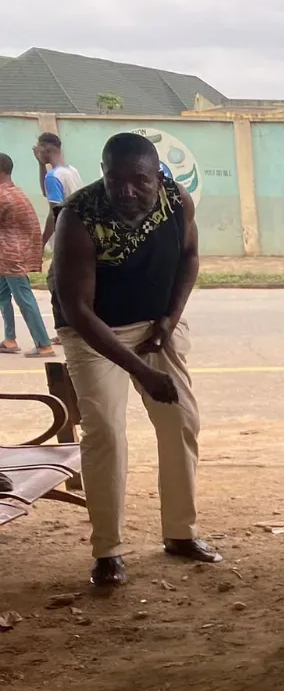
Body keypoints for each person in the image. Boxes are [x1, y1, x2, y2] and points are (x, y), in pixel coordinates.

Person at [54, 132, 219, 588]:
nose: (127, 191)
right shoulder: (78, 217)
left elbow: (189, 257)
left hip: (156, 324)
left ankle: (181, 535)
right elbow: (77, 310)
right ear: (103, 174)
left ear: (156, 175)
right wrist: (142, 371)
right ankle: (107, 551)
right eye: (115, 179)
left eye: (139, 180)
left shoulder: (176, 200)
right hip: (94, 332)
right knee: (105, 429)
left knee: (181, 421)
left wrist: (170, 319)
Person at [0, 153, 54, 358]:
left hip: (10, 256)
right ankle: (10, 339)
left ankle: (43, 344)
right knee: (2, 296)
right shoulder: (15, 192)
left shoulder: (3, 196)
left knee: (24, 298)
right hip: (9, 255)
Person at [35, 132, 83, 346]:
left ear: (47, 148)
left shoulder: (54, 177)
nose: (37, 152)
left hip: (63, 240)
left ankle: (67, 329)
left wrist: (42, 240)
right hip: (78, 236)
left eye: (39, 148)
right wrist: (40, 165)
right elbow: (47, 194)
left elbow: (55, 213)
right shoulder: (70, 172)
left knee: (56, 284)